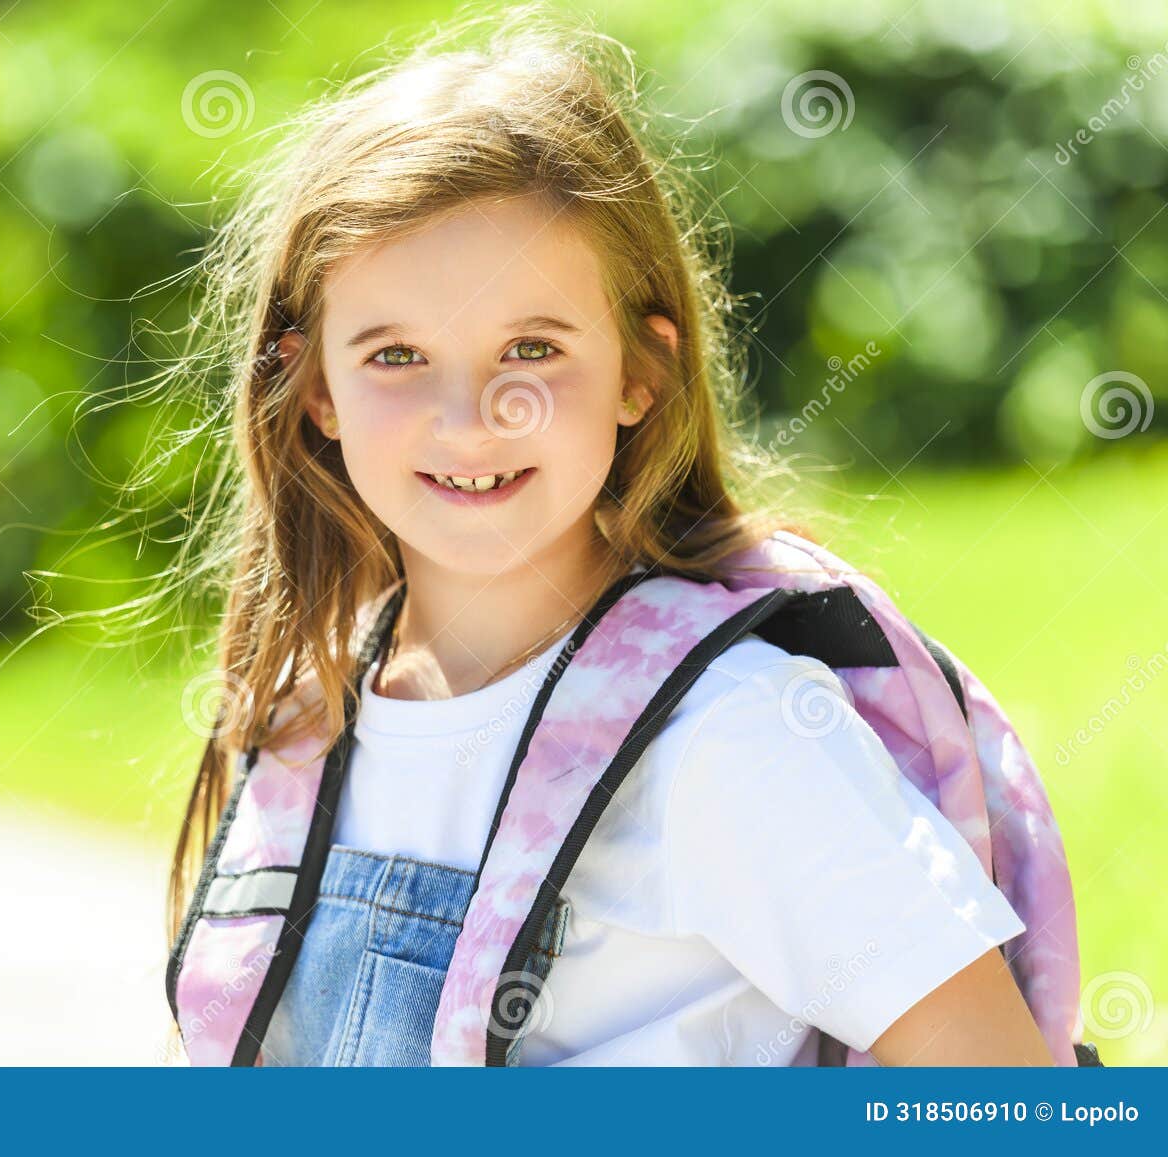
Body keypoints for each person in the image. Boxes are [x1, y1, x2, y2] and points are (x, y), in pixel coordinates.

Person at [158, 5, 1054, 1066]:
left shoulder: (732, 733)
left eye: (531, 347)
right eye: (395, 355)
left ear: (640, 371)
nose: (468, 413)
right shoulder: (306, 717)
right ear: (315, 392)